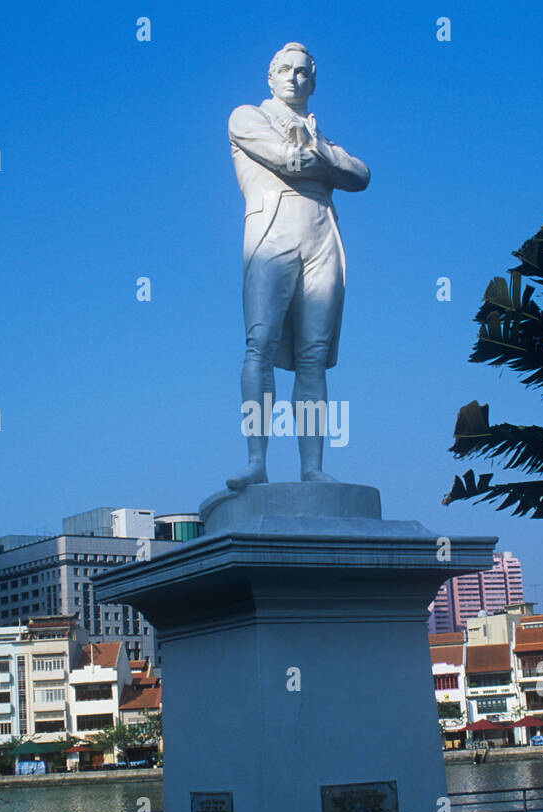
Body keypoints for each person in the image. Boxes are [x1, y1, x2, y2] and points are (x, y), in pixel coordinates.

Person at [226, 42, 370, 489]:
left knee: (313, 358)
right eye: (285, 70)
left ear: (313, 81)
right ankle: (256, 460)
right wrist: (321, 163)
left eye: (303, 72)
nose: (294, 77)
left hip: (322, 236)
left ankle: (312, 468)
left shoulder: (322, 136)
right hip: (272, 231)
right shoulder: (247, 116)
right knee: (261, 344)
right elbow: (288, 160)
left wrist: (323, 155)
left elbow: (360, 175)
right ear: (270, 78)